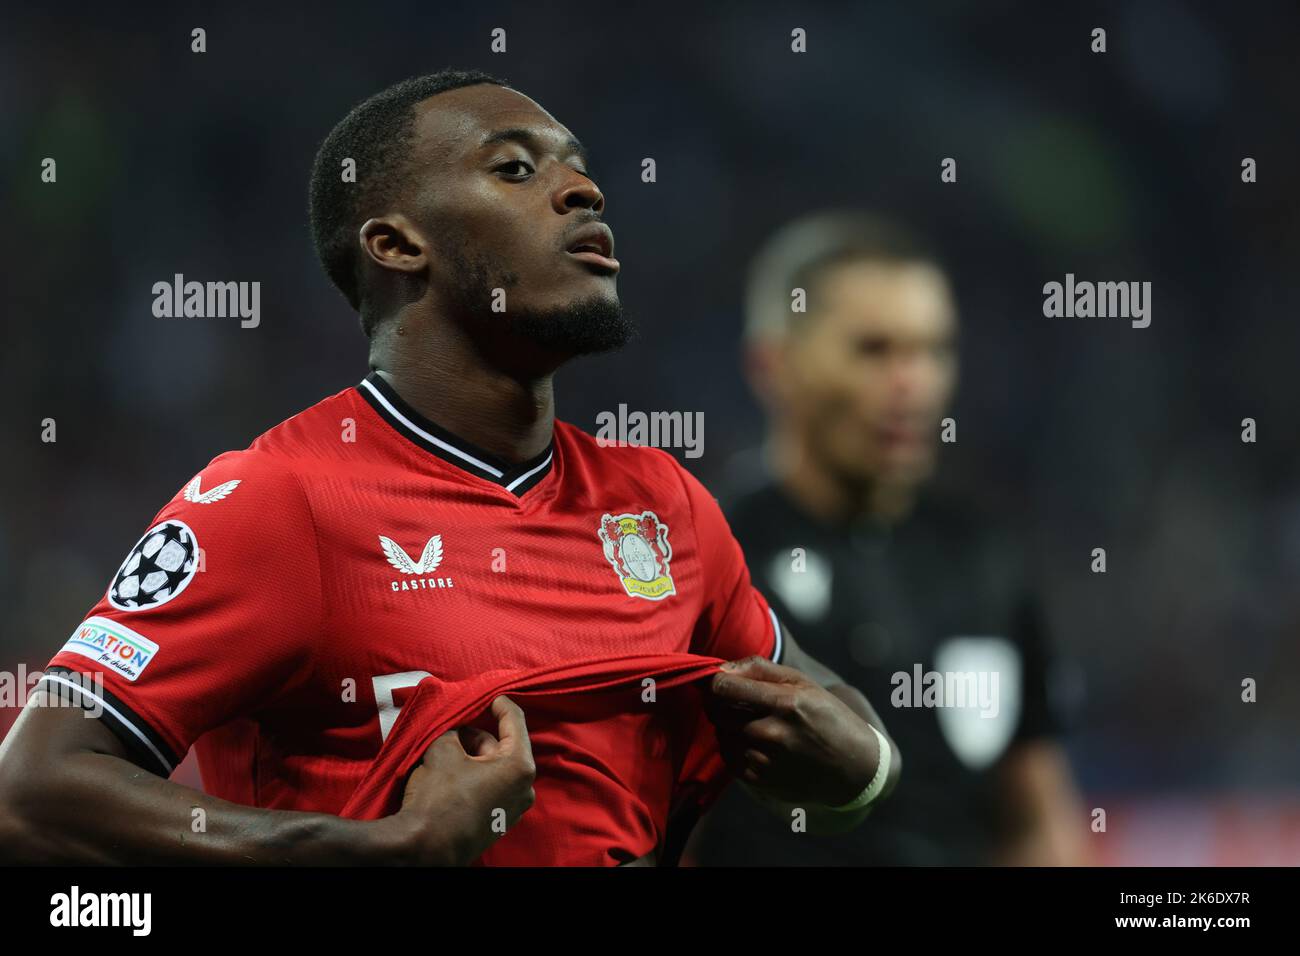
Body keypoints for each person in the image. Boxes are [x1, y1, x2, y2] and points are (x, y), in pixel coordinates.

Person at [0, 71, 899, 866]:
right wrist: (380, 851)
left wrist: (866, 771)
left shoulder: (661, 505)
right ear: (396, 244)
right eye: (516, 169)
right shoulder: (279, 500)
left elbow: (825, 711)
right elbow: (31, 794)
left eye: (578, 168)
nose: (583, 190)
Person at [688, 212, 1085, 866]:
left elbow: (1038, 819)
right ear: (774, 364)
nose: (914, 384)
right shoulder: (707, 555)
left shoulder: (985, 557)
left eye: (934, 350)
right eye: (875, 350)